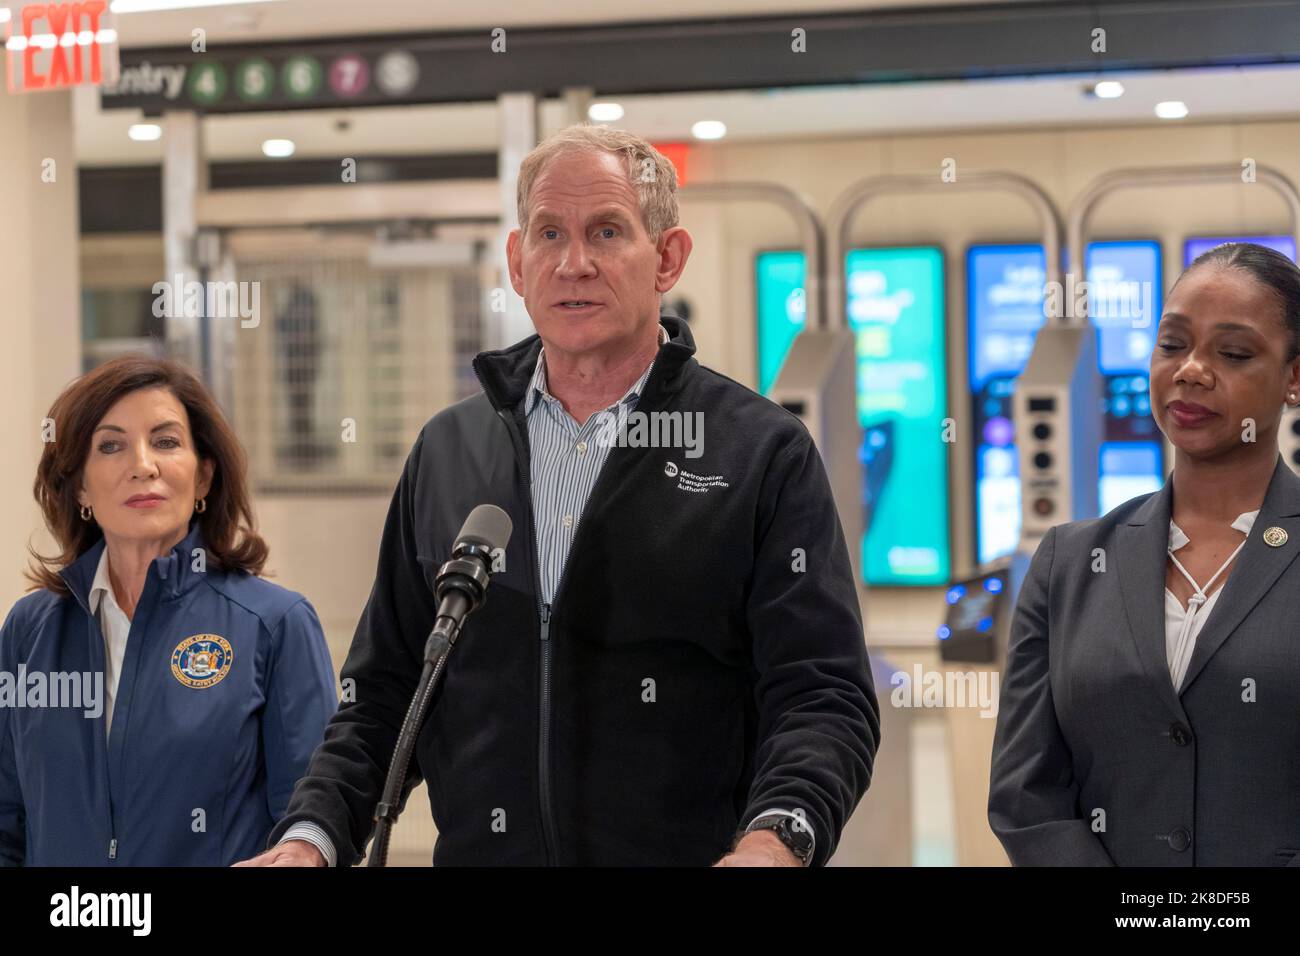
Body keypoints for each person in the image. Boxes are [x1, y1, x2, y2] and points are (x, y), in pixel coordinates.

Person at [238, 123, 879, 868]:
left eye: (607, 232)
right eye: (549, 234)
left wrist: (775, 840)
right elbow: (384, 693)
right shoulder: (450, 450)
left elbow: (822, 696)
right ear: (517, 260)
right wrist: (309, 839)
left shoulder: (757, 451)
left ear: (667, 258)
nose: (574, 264)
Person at [989, 242, 1300, 866]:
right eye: (1172, 344)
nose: (1191, 370)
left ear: (1294, 377)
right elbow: (1026, 794)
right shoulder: (1070, 563)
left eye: (1233, 353)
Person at [0, 355, 337, 865]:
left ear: (203, 477)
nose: (143, 464)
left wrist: (311, 847)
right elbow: (9, 819)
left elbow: (313, 817)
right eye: (111, 445)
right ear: (81, 488)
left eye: (166, 441)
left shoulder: (276, 624)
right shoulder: (30, 631)